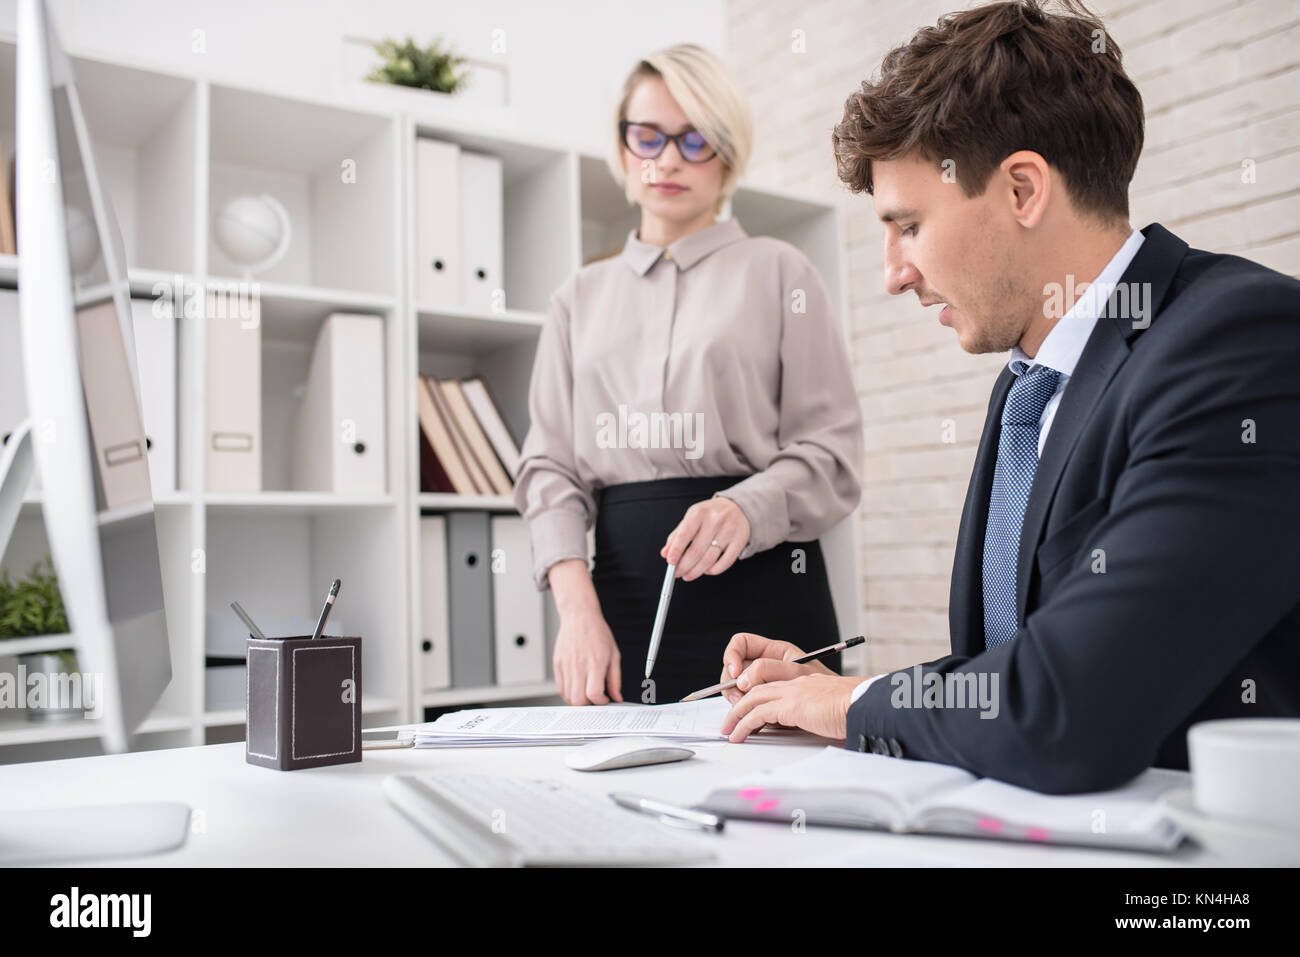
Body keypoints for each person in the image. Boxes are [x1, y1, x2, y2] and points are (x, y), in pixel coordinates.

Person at [717, 0, 1300, 794]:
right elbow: (1022, 664)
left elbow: (1070, 706)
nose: (893, 273)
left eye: (910, 225)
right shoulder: (1027, 387)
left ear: (1023, 189)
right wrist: (821, 692)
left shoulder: (1240, 342)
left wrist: (851, 701)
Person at [514, 44, 863, 706]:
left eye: (694, 139)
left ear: (728, 155)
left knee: (780, 792)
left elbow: (833, 454)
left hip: (768, 602)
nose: (667, 158)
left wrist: (746, 505)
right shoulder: (576, 298)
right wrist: (576, 612)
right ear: (622, 150)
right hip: (618, 609)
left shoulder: (782, 272)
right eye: (647, 136)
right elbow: (549, 470)